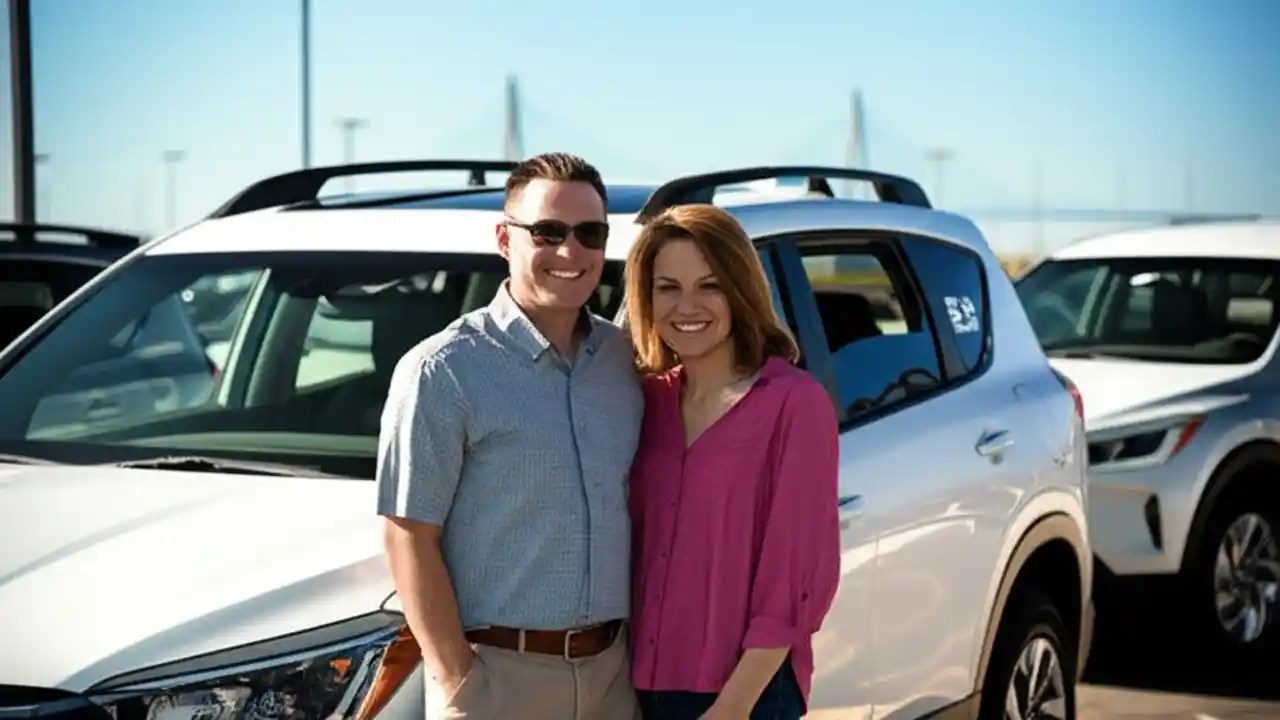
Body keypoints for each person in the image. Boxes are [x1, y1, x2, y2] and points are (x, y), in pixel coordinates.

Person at [377, 152, 645, 719]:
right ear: (505, 238)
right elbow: (406, 535)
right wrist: (457, 677)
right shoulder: (443, 371)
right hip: (496, 682)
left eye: (589, 233)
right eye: (547, 232)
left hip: (614, 679)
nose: (570, 252)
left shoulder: (626, 361)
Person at [623, 203, 841, 720]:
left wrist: (732, 708)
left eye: (711, 285)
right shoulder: (643, 402)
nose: (687, 306)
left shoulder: (794, 404)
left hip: (745, 697)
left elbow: (795, 581)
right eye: (668, 287)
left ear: (740, 291)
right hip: (632, 691)